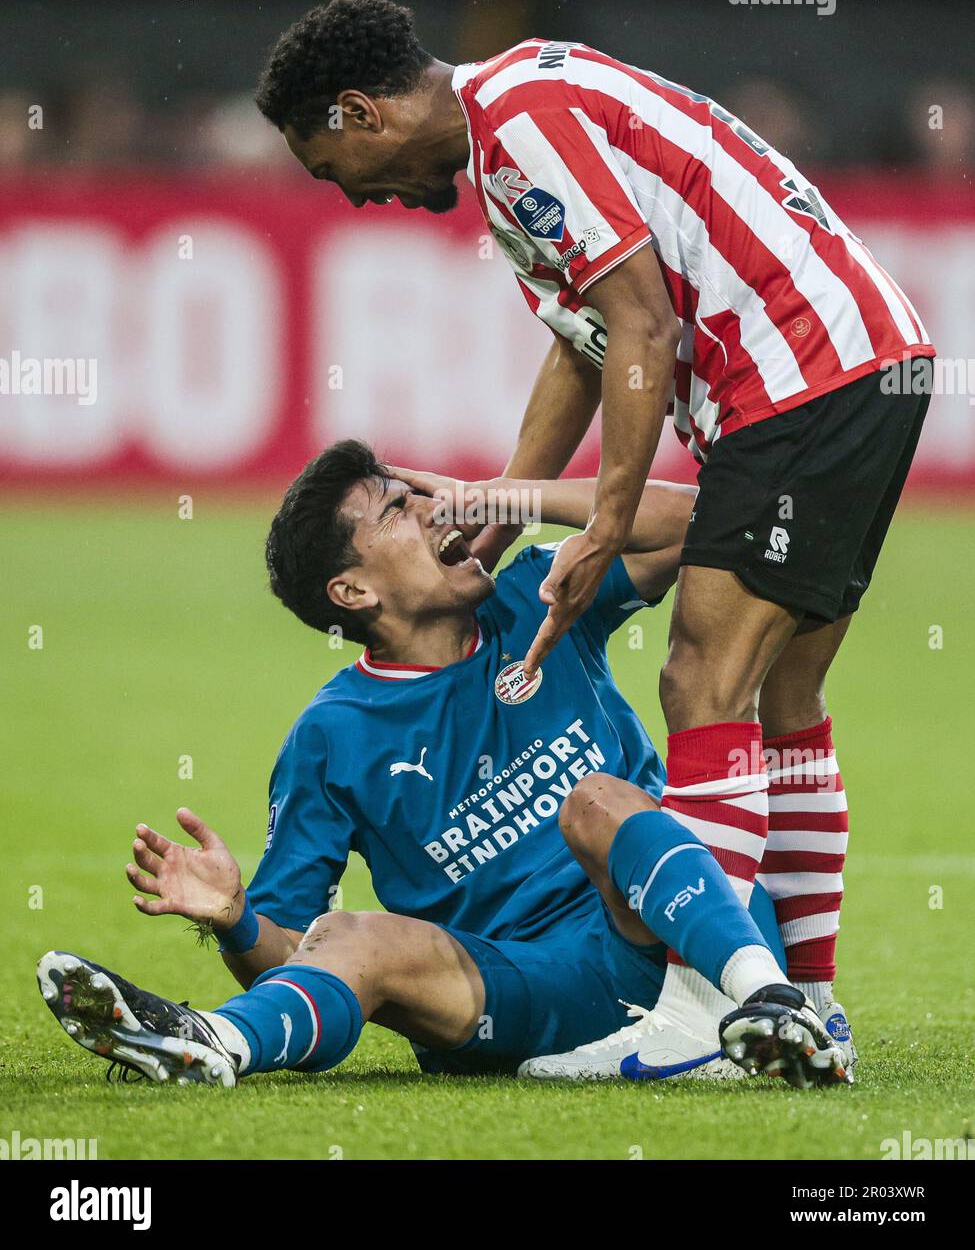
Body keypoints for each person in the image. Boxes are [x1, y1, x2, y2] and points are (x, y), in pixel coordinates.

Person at [253, 0, 933, 1048]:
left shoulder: (518, 131)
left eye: (330, 167)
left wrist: (606, 523)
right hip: (860, 359)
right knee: (786, 693)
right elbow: (583, 348)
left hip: (796, 376)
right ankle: (808, 999)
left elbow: (641, 326)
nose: (354, 198)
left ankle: (711, 1012)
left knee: (699, 680)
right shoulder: (516, 112)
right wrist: (506, 513)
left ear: (361, 113)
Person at [37, 443, 850, 1088]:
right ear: (351, 592)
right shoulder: (330, 739)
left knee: (597, 801)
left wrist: (510, 497)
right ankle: (211, 1038)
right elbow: (293, 956)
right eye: (399, 509)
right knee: (354, 936)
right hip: (526, 988)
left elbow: (706, 520)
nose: (435, 509)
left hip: (677, 933)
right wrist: (234, 920)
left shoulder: (536, 594)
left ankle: (765, 1003)